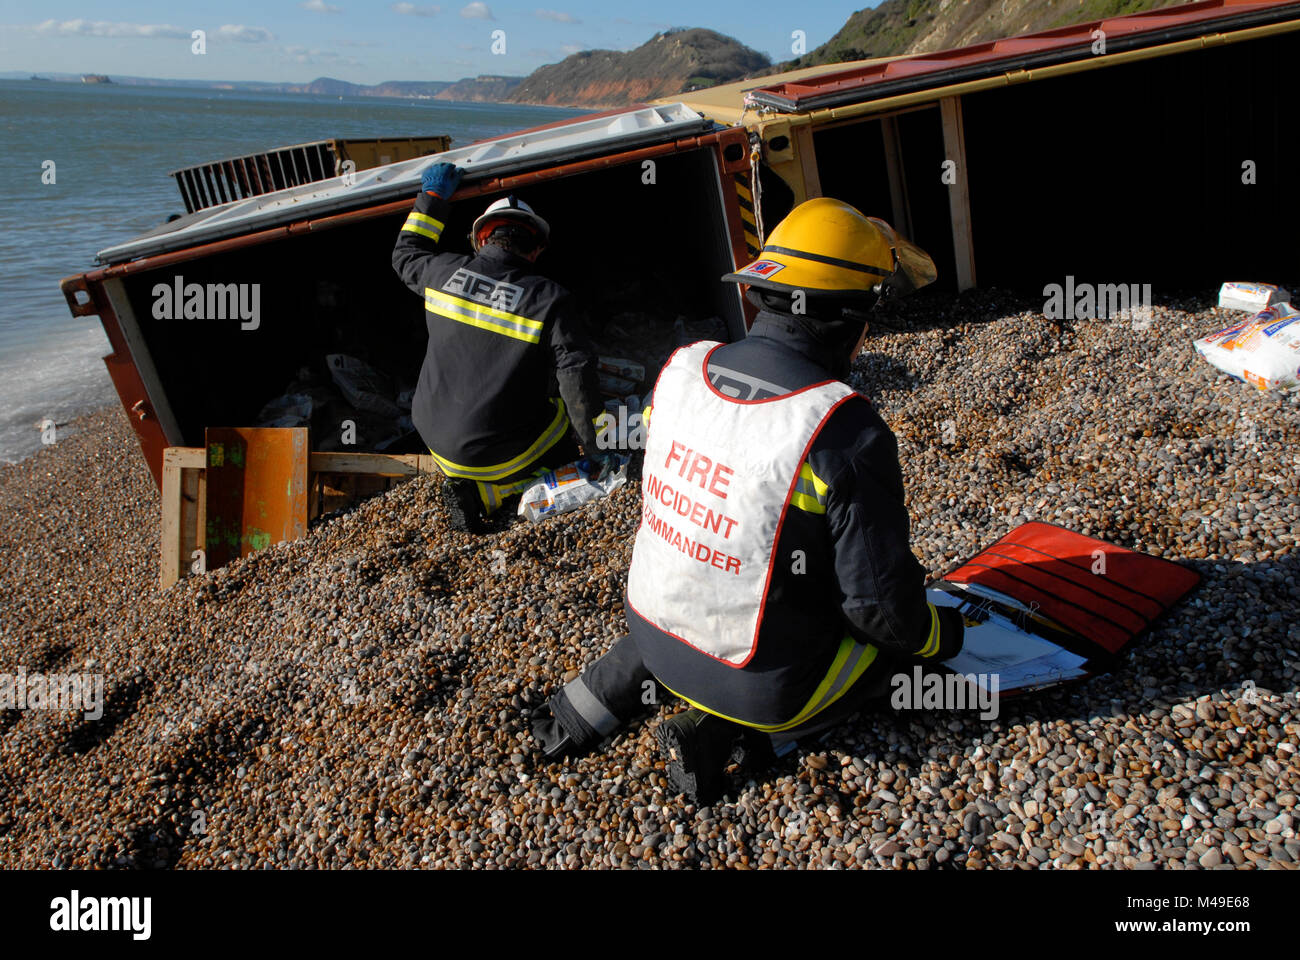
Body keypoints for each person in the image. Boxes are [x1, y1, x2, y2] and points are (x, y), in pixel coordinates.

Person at [530, 198, 965, 803]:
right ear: (850, 317)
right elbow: (878, 612)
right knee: (897, 664)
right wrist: (943, 635)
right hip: (759, 681)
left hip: (652, 628)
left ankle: (576, 714)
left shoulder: (682, 371)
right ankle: (729, 737)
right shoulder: (842, 430)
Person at [392, 161, 608, 532]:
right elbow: (577, 380)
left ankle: (481, 481)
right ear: (537, 250)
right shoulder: (550, 300)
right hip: (491, 454)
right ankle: (497, 493)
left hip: (431, 436)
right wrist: (596, 447)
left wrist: (432, 198)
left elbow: (406, 253)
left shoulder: (442, 272)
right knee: (561, 418)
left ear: (480, 240)